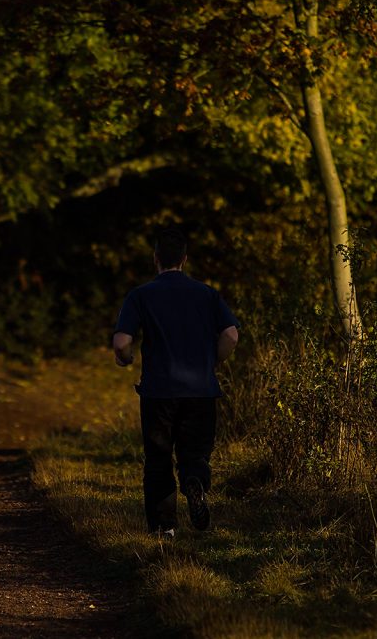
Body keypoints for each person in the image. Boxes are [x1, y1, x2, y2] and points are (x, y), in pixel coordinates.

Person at [112, 227, 239, 537]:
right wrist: (213, 361)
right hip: (200, 389)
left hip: (158, 391)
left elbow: (121, 341)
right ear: (185, 259)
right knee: (194, 454)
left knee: (158, 458)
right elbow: (231, 334)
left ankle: (164, 528)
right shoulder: (207, 294)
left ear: (155, 259)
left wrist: (126, 358)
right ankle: (194, 480)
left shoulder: (140, 295)